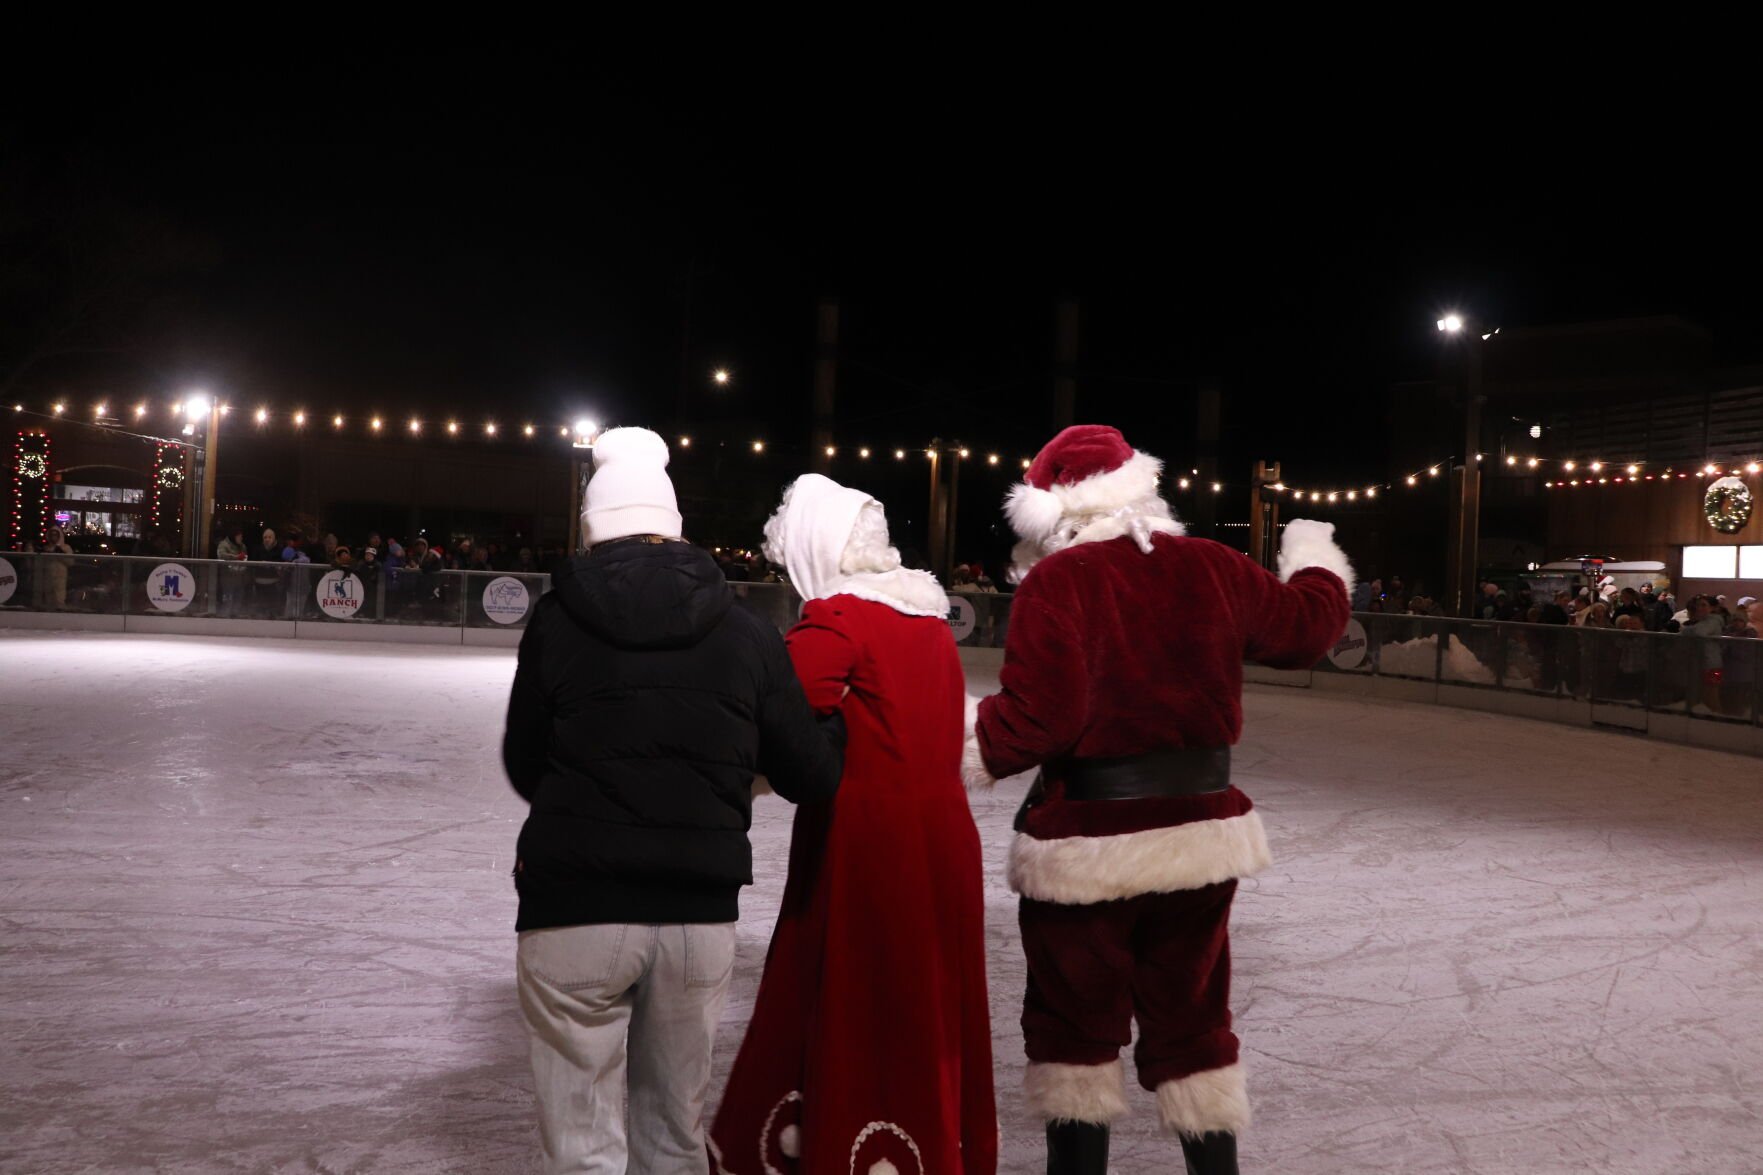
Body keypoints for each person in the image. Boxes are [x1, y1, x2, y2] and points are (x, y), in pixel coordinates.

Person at [962, 426, 1350, 1175]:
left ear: (1048, 511)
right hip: (1200, 840)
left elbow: (1038, 720)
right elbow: (1305, 628)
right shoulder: (1212, 566)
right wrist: (1310, 555)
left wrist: (950, 733)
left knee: (1074, 1029)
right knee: (1194, 1023)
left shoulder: (1060, 582)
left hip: (1087, 849)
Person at [502, 428, 844, 1175]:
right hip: (696, 912)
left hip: (575, 907)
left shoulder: (556, 622)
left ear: (593, 525)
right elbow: (810, 775)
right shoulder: (749, 631)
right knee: (671, 1135)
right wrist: (841, 724)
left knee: (583, 1146)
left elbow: (524, 762)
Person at [711, 474, 997, 1175]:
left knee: (859, 999)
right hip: (945, 842)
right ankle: (927, 1146)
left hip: (870, 844)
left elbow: (774, 711)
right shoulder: (928, 621)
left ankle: (849, 1146)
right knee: (924, 1006)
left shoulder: (838, 619)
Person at [34, 525, 73, 609]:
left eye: (55, 535)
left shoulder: (66, 548)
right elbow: (39, 564)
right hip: (47, 578)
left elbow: (70, 562)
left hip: (60, 579)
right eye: (52, 534)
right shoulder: (45, 548)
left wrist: (61, 553)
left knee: (59, 599)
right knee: (48, 599)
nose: (53, 537)